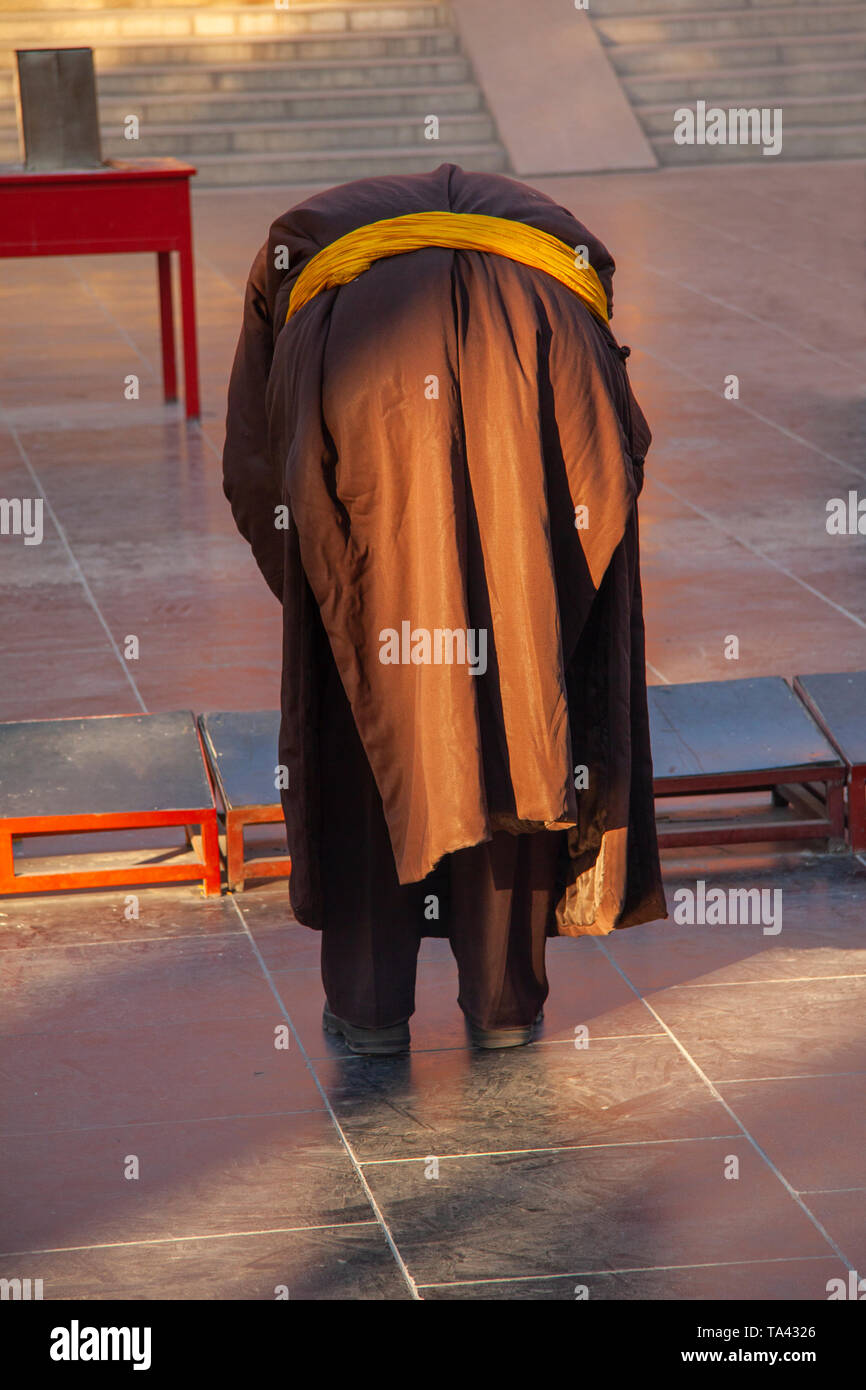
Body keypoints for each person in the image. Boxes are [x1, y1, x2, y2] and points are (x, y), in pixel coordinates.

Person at [222, 163, 667, 1056]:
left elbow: (256, 467)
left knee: (366, 710)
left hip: (358, 372)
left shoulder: (295, 255)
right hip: (545, 340)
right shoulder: (555, 245)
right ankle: (504, 1006)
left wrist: (333, 597)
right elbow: (618, 449)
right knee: (519, 704)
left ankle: (369, 1008)